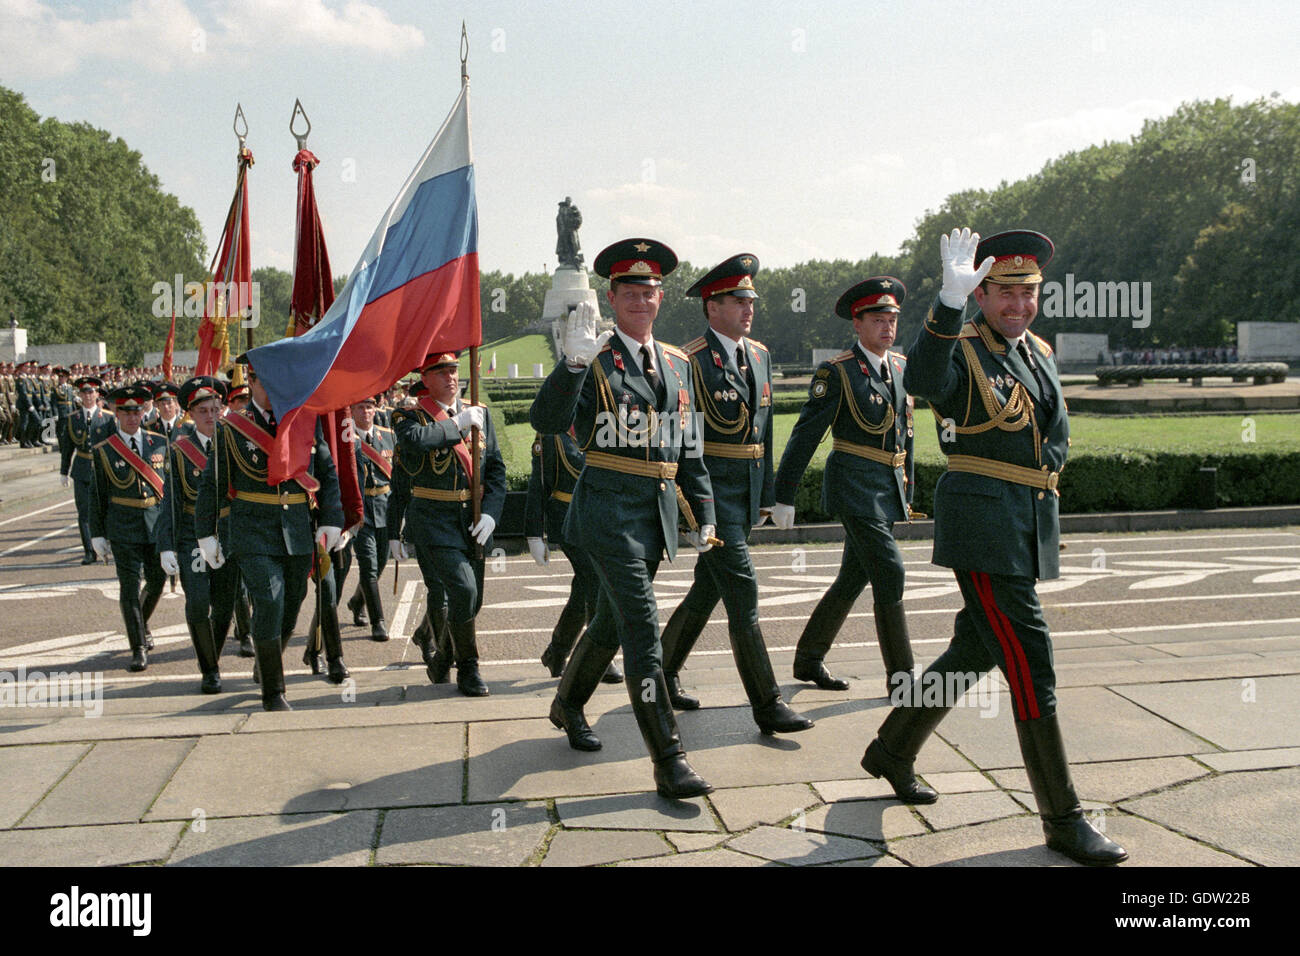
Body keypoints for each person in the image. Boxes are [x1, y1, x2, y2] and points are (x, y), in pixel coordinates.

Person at [860, 227, 1127, 866]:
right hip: (983, 530)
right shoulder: (963, 347)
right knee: (1031, 661)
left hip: (1023, 524)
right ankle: (1064, 818)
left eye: (1027, 293)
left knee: (973, 651)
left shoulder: (1035, 350)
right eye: (1003, 292)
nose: (1018, 305)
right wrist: (946, 305)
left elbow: (1051, 439)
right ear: (982, 293)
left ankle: (892, 750)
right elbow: (923, 378)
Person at [530, 237, 717, 799]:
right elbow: (546, 419)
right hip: (607, 515)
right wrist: (572, 364)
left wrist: (703, 511)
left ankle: (566, 703)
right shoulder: (595, 359)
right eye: (630, 292)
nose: (641, 300)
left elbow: (690, 450)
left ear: (661, 299)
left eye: (650, 291)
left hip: (656, 515)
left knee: (611, 624)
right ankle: (670, 758)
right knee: (642, 632)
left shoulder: (679, 365)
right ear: (611, 299)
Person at [657, 253, 812, 734]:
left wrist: (767, 495)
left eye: (750, 300)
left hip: (743, 496)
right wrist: (691, 508)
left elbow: (763, 435)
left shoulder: (760, 356)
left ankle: (659, 673)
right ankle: (767, 703)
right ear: (712, 307)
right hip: (710, 496)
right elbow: (680, 439)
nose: (748, 308)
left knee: (708, 590)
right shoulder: (689, 361)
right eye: (737, 301)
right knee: (743, 591)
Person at [771, 277, 919, 697]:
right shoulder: (837, 372)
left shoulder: (902, 367)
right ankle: (902, 679)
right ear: (857, 324)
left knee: (853, 578)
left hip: (886, 489)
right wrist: (783, 494)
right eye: (877, 319)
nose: (887, 327)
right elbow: (805, 435)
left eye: (892, 318)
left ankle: (808, 659)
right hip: (854, 489)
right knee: (890, 571)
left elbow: (906, 437)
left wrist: (906, 490)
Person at [194, 354, 344, 711]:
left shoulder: (304, 421)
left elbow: (326, 471)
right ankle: (274, 692)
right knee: (269, 601)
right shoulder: (231, 429)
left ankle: (267, 662)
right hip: (252, 530)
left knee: (293, 602)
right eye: (272, 381)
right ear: (255, 382)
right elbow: (212, 485)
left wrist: (332, 517)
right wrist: (206, 532)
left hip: (296, 530)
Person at [389, 352, 507, 697]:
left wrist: (491, 513)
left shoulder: (480, 413)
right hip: (432, 521)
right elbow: (415, 442)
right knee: (463, 590)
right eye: (440, 371)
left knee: (473, 601)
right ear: (424, 378)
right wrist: (456, 426)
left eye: (454, 369)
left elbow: (496, 470)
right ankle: (468, 670)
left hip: (472, 520)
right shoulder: (409, 415)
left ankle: (442, 657)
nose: (450, 377)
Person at [155, 376, 237, 693]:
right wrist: (166, 546)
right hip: (192, 537)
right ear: (191, 414)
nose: (211, 416)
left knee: (225, 606)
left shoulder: (234, 446)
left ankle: (210, 656)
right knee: (198, 603)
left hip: (228, 535)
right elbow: (171, 504)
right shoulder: (179, 452)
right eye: (203, 410)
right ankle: (210, 669)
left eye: (216, 409)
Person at [524, 427, 623, 684]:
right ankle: (598, 654)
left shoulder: (606, 425)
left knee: (584, 586)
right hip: (567, 519)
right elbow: (539, 484)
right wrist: (534, 533)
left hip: (602, 518)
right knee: (594, 578)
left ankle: (557, 651)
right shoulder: (551, 435)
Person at [89, 383, 168, 672]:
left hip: (156, 525)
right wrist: (96, 533)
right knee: (129, 588)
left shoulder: (159, 443)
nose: (132, 417)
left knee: (158, 581)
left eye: (136, 411)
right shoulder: (104, 450)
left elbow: (168, 489)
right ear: (116, 413)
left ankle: (140, 622)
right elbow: (96, 495)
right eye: (126, 412)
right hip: (123, 527)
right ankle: (138, 647)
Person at [343, 396, 397, 642]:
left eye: (369, 406)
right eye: (360, 407)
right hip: (360, 509)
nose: (366, 411)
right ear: (351, 411)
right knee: (369, 565)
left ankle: (357, 601)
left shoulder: (388, 435)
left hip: (384, 507)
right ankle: (379, 621)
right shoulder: (346, 439)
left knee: (382, 562)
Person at [59, 376, 112, 564]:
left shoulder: (107, 418)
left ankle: (105, 544)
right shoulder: (73, 418)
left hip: (102, 469)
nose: (88, 396)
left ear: (97, 394)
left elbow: (114, 447)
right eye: (84, 392)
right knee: (84, 512)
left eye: (91, 392)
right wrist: (64, 471)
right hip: (81, 469)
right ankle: (89, 551)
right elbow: (67, 447)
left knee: (106, 508)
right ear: (80, 396)